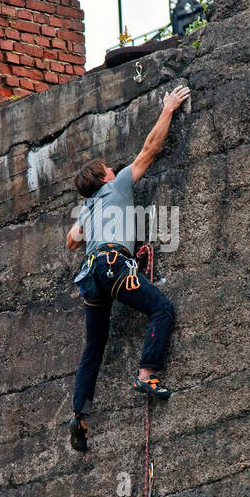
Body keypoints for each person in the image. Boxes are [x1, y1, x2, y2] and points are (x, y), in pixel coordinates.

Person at [66, 84, 190, 452]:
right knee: (162, 308)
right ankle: (146, 375)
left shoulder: (87, 208)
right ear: (105, 176)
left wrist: (82, 229)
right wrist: (168, 109)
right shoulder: (118, 185)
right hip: (114, 266)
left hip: (91, 276)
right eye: (109, 168)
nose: (114, 169)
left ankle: (79, 416)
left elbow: (71, 240)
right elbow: (150, 149)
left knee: (95, 345)